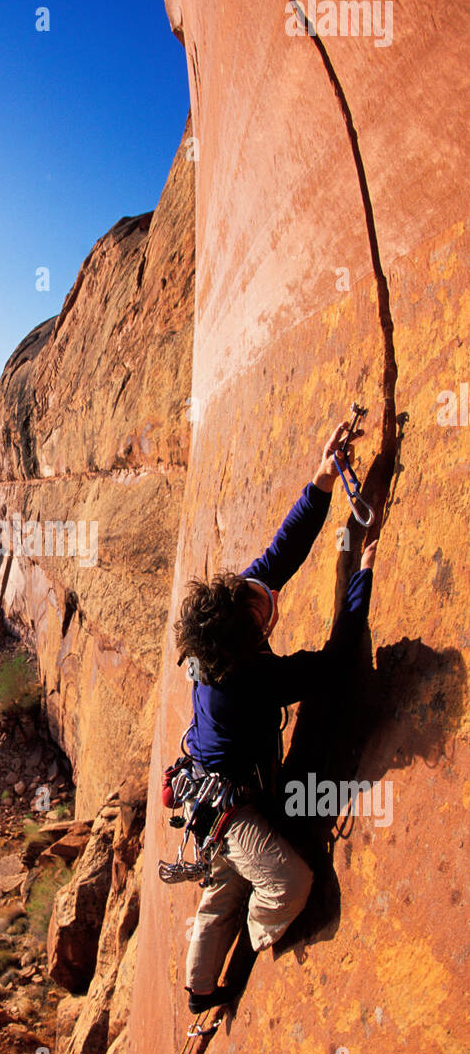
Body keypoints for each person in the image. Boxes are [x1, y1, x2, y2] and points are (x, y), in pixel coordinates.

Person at [173, 423, 377, 1013]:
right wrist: (361, 573)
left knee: (222, 886)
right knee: (283, 881)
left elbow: (280, 555)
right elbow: (335, 663)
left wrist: (321, 478)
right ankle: (253, 948)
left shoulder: (221, 633)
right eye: (264, 613)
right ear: (247, 640)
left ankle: (197, 987)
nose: (270, 602)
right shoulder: (250, 679)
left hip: (210, 794)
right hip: (235, 808)